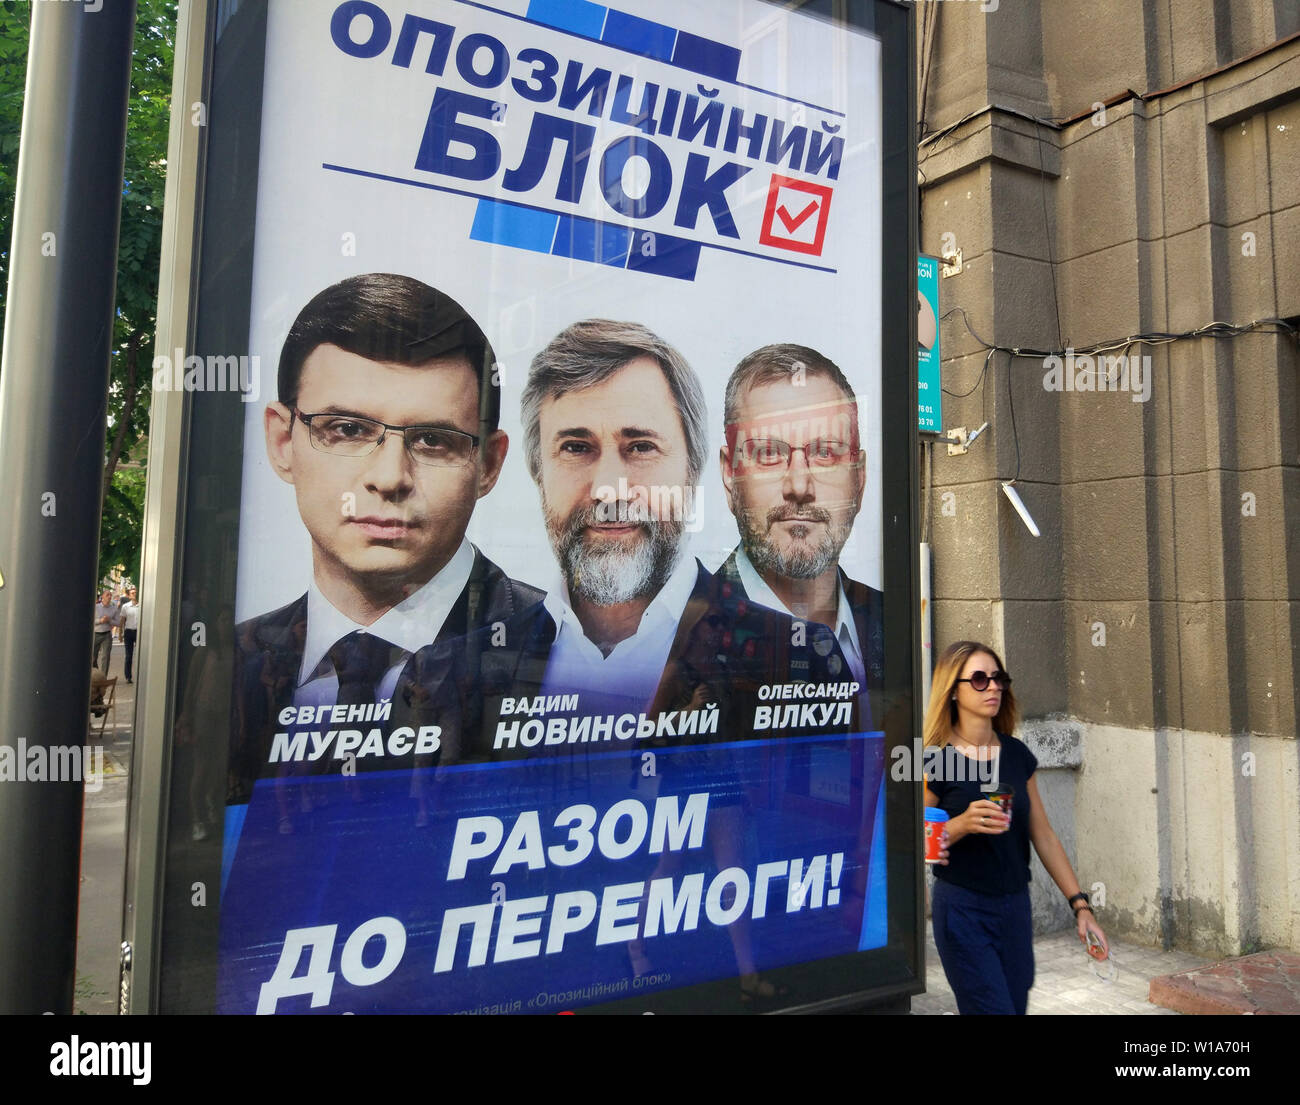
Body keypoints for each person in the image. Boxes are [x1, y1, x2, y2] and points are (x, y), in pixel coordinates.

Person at [401, 320, 860, 763]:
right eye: (576, 448)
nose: (609, 488)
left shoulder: (799, 658)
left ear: (693, 468)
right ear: (539, 474)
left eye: (640, 447)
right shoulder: (449, 674)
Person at [229, 273, 541, 800]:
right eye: (347, 429)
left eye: (434, 439)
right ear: (283, 442)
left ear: (488, 464)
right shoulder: (224, 662)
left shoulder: (559, 652)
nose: (391, 476)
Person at [923, 640, 1108, 1015]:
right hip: (962, 908)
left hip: (1014, 909)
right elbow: (914, 840)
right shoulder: (933, 759)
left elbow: (1043, 834)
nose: (992, 687)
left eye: (998, 678)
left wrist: (1080, 905)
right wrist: (961, 824)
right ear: (952, 692)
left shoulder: (1016, 754)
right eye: (978, 679)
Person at [716, 344, 882, 725]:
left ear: (859, 477)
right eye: (768, 453)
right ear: (730, 475)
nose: (798, 485)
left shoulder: (892, 623)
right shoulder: (680, 638)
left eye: (825, 452)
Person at [120, 586, 140, 683]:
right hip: (128, 632)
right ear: (129, 595)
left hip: (139, 632)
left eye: (135, 592)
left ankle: (141, 674)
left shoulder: (141, 605)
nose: (134, 594)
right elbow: (122, 620)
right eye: (132, 593)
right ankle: (128, 676)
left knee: (141, 654)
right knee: (129, 655)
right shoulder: (125, 606)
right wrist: (120, 634)